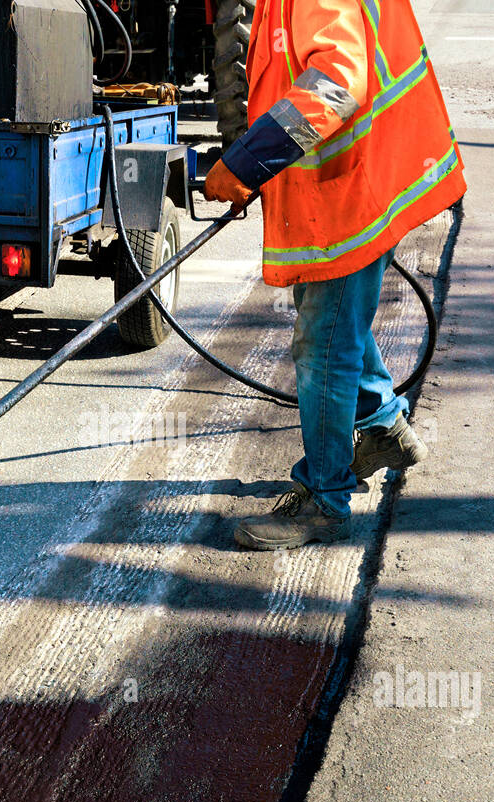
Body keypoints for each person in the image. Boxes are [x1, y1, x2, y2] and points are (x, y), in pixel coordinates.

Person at [203, 0, 466, 550]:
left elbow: (336, 86)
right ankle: (383, 428)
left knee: (323, 345)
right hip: (347, 186)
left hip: (348, 193)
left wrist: (247, 161)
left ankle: (325, 502)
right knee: (336, 324)